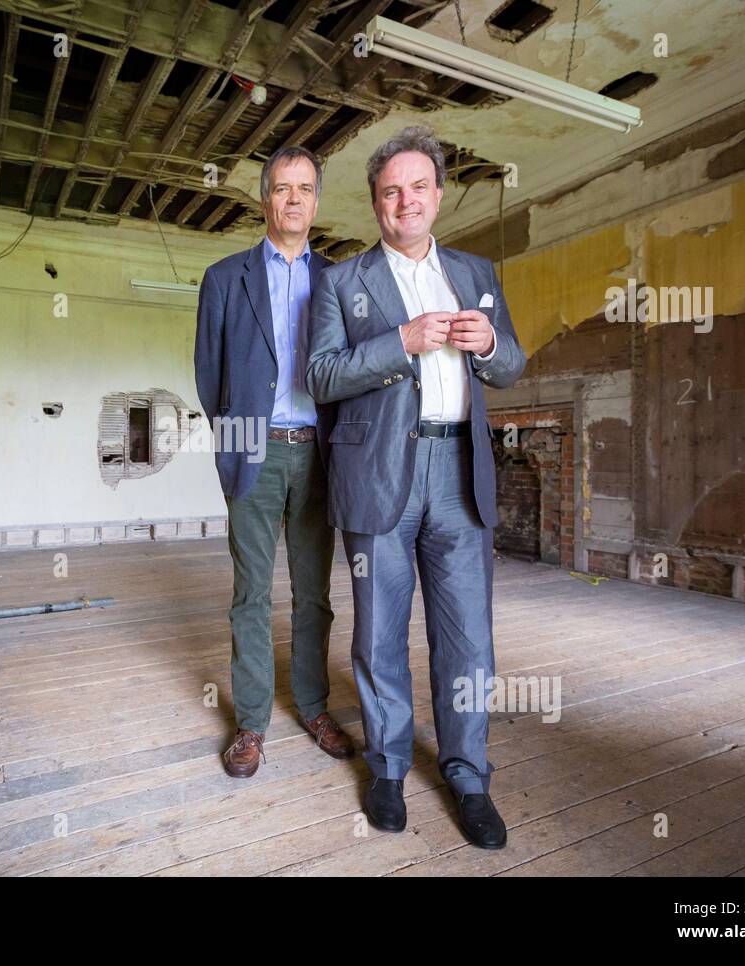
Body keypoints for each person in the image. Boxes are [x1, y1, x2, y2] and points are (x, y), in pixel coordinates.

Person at [306, 126, 527, 847]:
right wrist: (398, 342)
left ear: (438, 194)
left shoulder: (477, 272)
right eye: (391, 190)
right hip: (377, 478)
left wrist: (489, 344)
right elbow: (322, 375)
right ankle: (389, 767)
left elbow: (512, 364)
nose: (407, 200)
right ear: (376, 202)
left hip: (459, 473)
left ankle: (468, 776)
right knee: (378, 635)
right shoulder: (341, 281)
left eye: (419, 186)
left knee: (469, 641)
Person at [194, 144, 355, 778]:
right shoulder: (224, 278)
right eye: (282, 188)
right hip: (252, 454)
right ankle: (252, 723)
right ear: (266, 199)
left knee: (314, 594)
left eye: (305, 188)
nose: (294, 199)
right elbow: (211, 379)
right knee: (251, 594)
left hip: (317, 454)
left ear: (317, 200)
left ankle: (314, 706)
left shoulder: (341, 280)